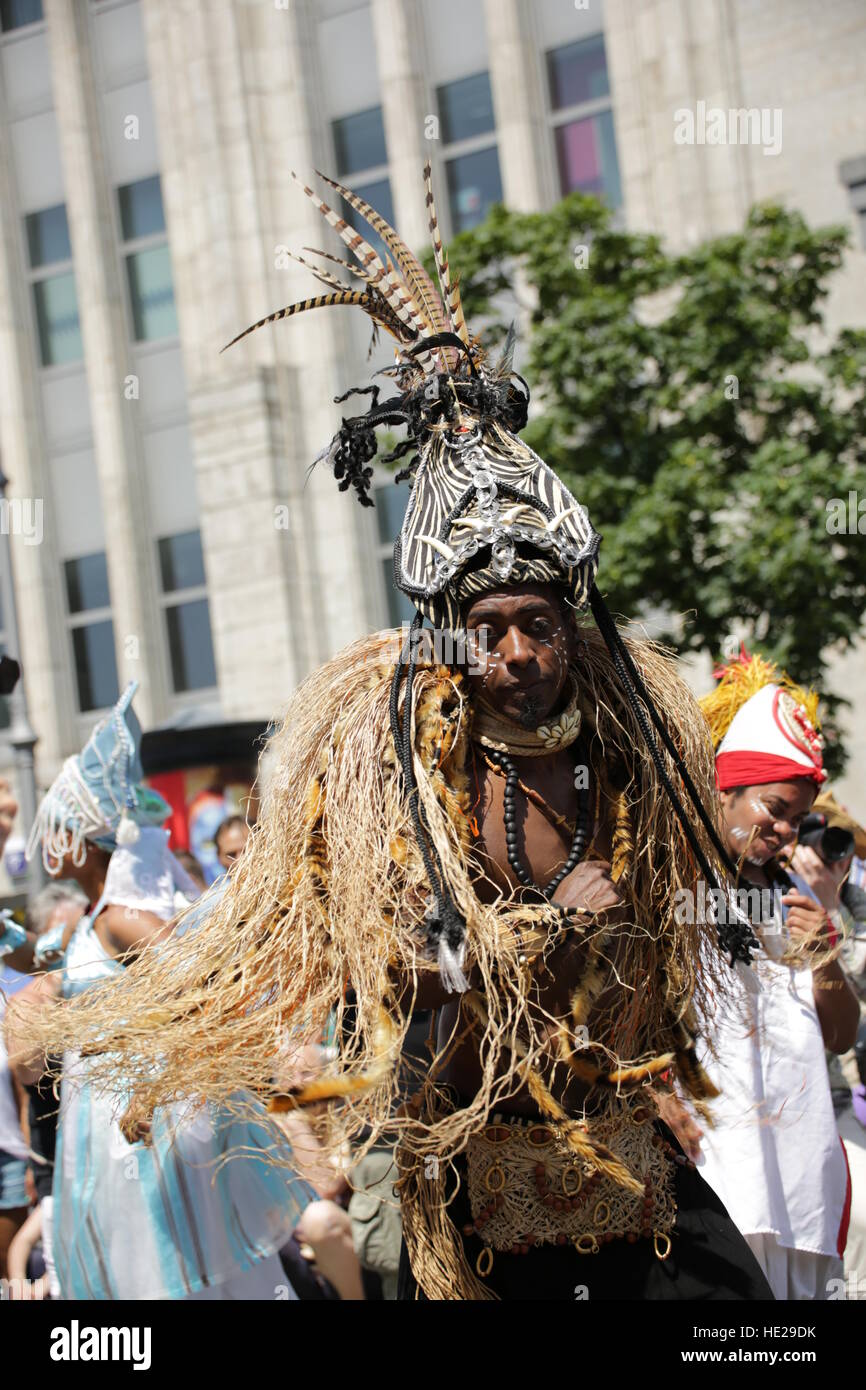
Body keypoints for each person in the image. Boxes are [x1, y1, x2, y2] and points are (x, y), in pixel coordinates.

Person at [30, 167, 770, 1301]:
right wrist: (529, 942)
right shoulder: (398, 781)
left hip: (618, 1163)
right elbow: (397, 988)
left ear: (571, 630)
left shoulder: (632, 757)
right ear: (448, 638)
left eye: (537, 624)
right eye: (489, 630)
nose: (517, 655)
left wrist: (735, 933)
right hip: (466, 1179)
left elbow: (677, 946)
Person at [6, 682, 312, 1300]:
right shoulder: (93, 920)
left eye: (58, 829)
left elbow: (198, 984)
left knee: (170, 1266)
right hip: (103, 1118)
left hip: (145, 1119)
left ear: (83, 840)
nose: (49, 846)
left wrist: (157, 1083)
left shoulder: (122, 916)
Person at [690, 650, 859, 1300]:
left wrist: (826, 957)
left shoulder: (797, 898)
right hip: (718, 1168)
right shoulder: (674, 878)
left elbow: (840, 1037)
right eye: (774, 808)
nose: (786, 831)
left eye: (797, 817)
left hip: (801, 1180)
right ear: (725, 790)